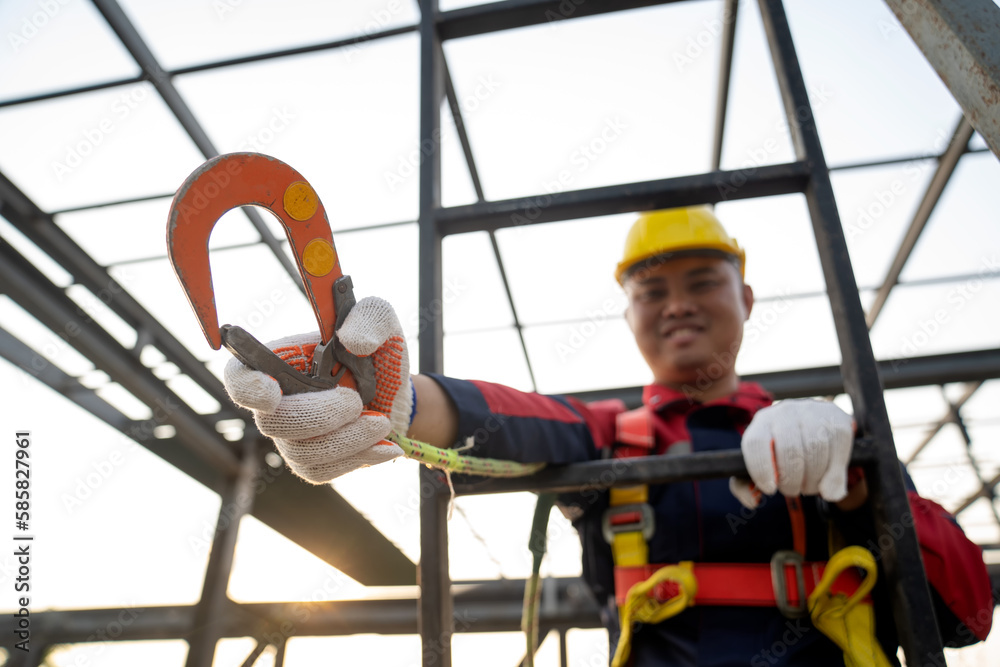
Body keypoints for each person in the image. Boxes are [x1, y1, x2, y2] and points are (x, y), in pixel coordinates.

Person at [223, 206, 994, 666]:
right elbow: (520, 421)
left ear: (748, 298)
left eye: (702, 281)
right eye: (651, 289)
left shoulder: (832, 443)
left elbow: (965, 614)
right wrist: (398, 399)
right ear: (628, 314)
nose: (677, 304)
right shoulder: (611, 440)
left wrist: (861, 480)